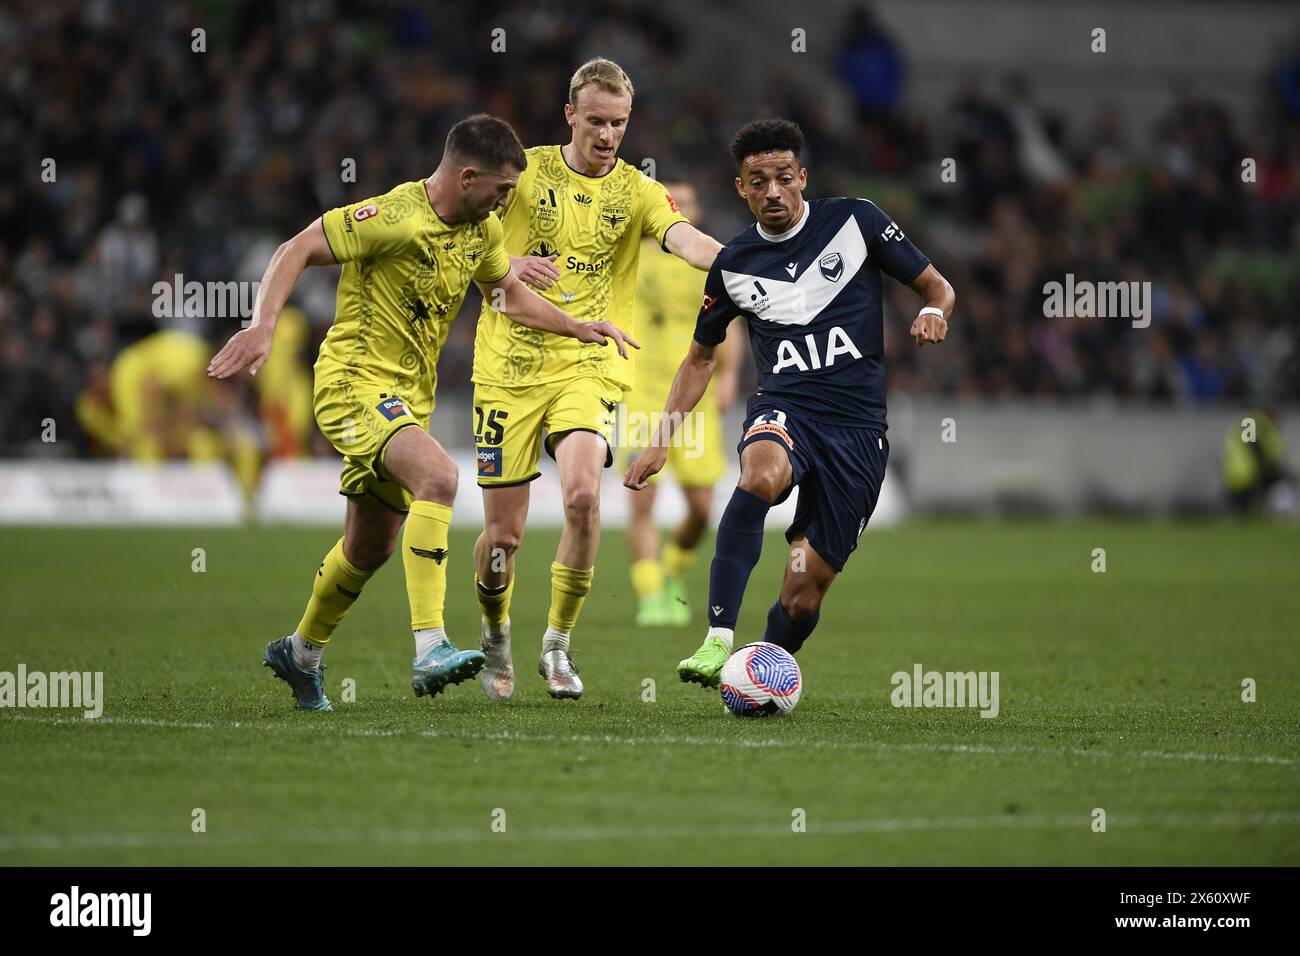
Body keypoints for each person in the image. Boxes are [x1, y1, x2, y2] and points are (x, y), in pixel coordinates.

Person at [208, 114, 636, 712]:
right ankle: (431, 644)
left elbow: (506, 293)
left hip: (407, 401)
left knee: (369, 547)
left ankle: (301, 652)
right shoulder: (393, 217)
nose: (507, 202)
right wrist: (263, 327)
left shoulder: (480, 231)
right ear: (466, 177)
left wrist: (577, 327)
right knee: (441, 476)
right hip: (351, 385)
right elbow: (296, 247)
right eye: (502, 191)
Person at [624, 118, 954, 686]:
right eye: (757, 181)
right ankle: (716, 638)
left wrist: (933, 312)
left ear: (801, 177)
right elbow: (700, 359)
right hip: (785, 410)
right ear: (741, 189)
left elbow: (937, 286)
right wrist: (660, 441)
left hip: (857, 434)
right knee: (759, 473)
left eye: (782, 177)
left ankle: (763, 666)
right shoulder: (733, 263)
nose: (771, 191)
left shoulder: (858, 222)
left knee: (803, 595)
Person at [469, 59, 722, 701]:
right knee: (504, 535)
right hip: (508, 367)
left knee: (583, 496)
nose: (608, 135)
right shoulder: (522, 173)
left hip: (591, 363)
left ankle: (557, 645)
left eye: (619, 124)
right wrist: (509, 264)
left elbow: (685, 239)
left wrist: (747, 260)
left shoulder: (638, 190)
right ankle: (495, 633)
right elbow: (466, 236)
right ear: (570, 116)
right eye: (596, 122)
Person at [619, 182, 742, 627]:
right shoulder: (631, 258)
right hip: (641, 392)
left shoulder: (707, 263)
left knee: (702, 508)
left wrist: (728, 376)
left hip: (695, 398)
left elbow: (732, 327)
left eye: (686, 203)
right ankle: (650, 594)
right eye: (670, 203)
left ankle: (672, 570)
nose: (678, 210)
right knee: (641, 500)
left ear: (698, 210)